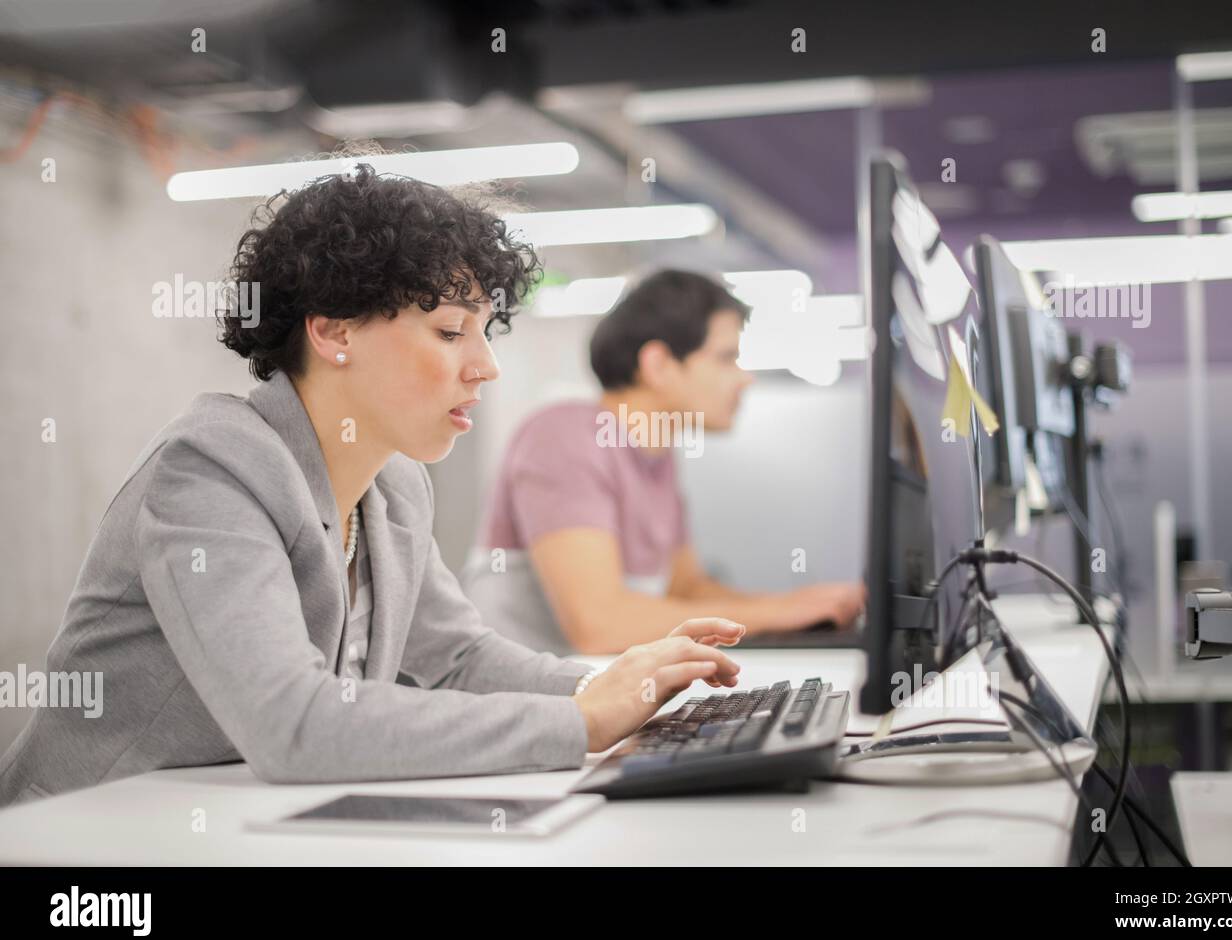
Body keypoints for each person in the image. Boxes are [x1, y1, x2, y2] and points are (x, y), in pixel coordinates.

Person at [0, 164, 745, 807]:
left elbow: (457, 661)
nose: (484, 365)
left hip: (227, 827)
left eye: (486, 332)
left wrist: (618, 684)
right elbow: (292, 725)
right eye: (452, 332)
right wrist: (582, 723)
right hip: (81, 837)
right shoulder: (210, 472)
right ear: (334, 332)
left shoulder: (393, 485)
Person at [462, 269, 866, 656]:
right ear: (657, 364)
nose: (746, 378)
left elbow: (686, 590)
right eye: (726, 358)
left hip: (595, 699)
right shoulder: (563, 436)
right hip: (518, 708)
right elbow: (601, 626)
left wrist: (804, 606)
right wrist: (779, 613)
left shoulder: (656, 458)